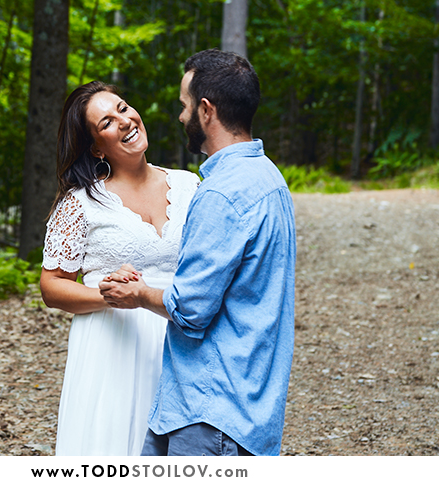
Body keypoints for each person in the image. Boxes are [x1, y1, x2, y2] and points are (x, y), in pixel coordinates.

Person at [99, 50, 297, 456]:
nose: (181, 116)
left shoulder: (221, 194)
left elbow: (190, 309)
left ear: (206, 111)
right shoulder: (269, 178)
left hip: (212, 412)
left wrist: (137, 294)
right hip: (247, 403)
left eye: (185, 106)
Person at [39, 80, 201, 456]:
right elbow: (51, 287)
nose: (125, 121)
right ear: (96, 146)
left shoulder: (189, 184)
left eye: (124, 108)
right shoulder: (80, 204)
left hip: (181, 338)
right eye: (107, 122)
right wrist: (108, 295)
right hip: (112, 346)